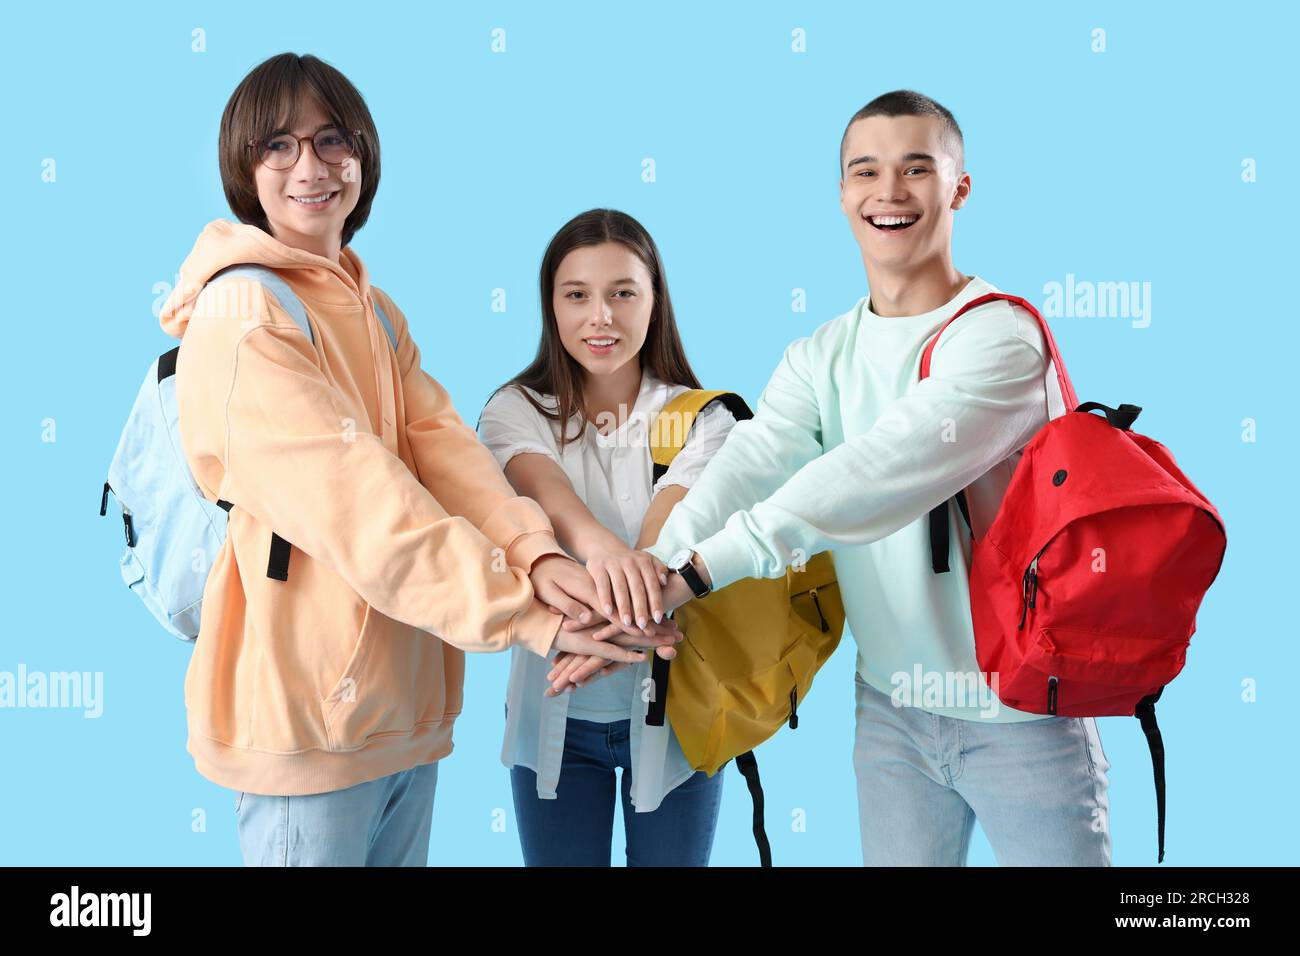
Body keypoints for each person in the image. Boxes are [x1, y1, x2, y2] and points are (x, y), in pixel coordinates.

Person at [551, 90, 1112, 867]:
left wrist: (696, 574)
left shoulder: (1001, 338)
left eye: (918, 168)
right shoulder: (820, 354)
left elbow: (871, 476)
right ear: (843, 193)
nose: (890, 192)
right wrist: (655, 579)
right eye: (866, 171)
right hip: (890, 711)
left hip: (1021, 715)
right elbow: (746, 467)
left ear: (960, 187)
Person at [158, 53, 674, 867]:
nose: (312, 167)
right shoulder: (246, 312)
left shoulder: (374, 309)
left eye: (333, 140)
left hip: (399, 717)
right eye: (278, 147)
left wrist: (537, 557)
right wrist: (529, 613)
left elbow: (445, 455)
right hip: (309, 724)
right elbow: (361, 505)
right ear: (242, 167)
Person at [477, 209, 736, 866]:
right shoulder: (513, 410)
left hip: (681, 715)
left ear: (655, 301)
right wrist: (612, 558)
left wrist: (630, 582)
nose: (601, 317)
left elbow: (663, 545)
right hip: (552, 716)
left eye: (624, 292)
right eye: (577, 295)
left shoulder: (706, 417)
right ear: (551, 305)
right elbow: (551, 502)